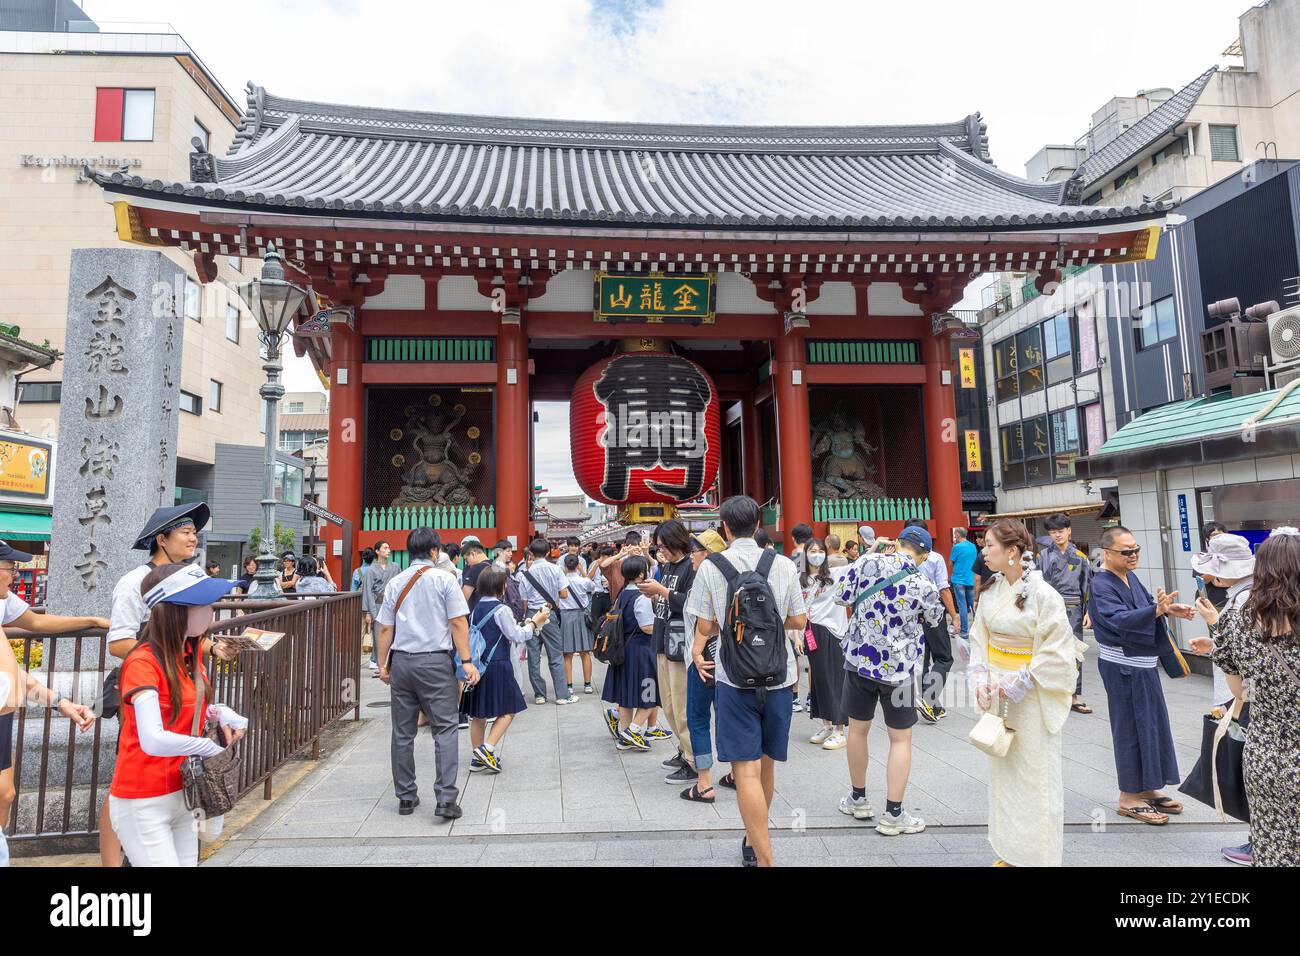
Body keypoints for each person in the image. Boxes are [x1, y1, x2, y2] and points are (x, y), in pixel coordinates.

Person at [686, 495, 807, 867]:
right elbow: (800, 621)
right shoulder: (783, 564)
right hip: (778, 677)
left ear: (724, 527)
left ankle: (763, 856)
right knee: (766, 766)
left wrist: (709, 639)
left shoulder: (711, 567)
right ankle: (754, 842)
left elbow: (705, 626)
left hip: (734, 679)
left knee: (745, 771)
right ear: (757, 525)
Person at [109, 563, 245, 866]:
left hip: (184, 791)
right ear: (172, 610)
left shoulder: (188, 653)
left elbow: (184, 707)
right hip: (143, 797)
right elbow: (153, 739)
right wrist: (208, 747)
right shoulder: (142, 662)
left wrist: (218, 713)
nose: (208, 610)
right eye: (199, 604)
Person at [100, 502, 211, 867]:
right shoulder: (134, 582)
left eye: (195, 532)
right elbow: (118, 642)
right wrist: (163, 661)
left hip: (182, 688)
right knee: (133, 768)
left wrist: (208, 647)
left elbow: (191, 637)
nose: (193, 537)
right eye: (185, 532)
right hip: (146, 689)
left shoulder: (189, 578)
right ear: (161, 540)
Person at [968, 520, 1083, 867]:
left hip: (1030, 695)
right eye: (984, 545)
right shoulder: (990, 591)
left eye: (990, 546)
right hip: (998, 693)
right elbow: (978, 642)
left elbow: (1057, 651)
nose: (984, 552)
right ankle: (1009, 851)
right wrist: (981, 679)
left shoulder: (1043, 595)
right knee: (1004, 778)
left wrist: (1018, 680)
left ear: (1012, 551)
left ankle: (1037, 856)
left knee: (1035, 777)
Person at [1194, 527, 1300, 867]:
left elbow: (1241, 691)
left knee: (1272, 849)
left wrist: (1272, 691)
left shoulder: (1238, 623)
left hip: (1267, 755)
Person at [831, 525, 942, 836]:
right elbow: (934, 620)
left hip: (859, 663)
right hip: (900, 669)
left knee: (857, 730)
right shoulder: (924, 583)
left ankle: (858, 799)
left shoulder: (868, 563)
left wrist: (868, 553)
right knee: (900, 739)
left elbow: (840, 596)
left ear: (896, 543)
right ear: (924, 555)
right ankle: (893, 814)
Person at [1087, 525, 1195, 825]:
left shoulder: (1128, 576)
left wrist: (1168, 609)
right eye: (1126, 551)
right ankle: (1128, 796)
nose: (1133, 555)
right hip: (1122, 667)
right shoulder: (1101, 584)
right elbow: (1117, 619)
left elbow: (1146, 608)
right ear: (1107, 553)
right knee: (1131, 728)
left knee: (1151, 725)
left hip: (1142, 666)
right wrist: (1156, 612)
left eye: (1136, 549)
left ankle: (1146, 788)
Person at [0, 539, 102, 846]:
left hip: (2, 718)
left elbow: (14, 671)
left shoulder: (2, 602)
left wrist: (60, 703)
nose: (15, 574)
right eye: (9, 567)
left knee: (6, 794)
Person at [375, 527, 477, 820]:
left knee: (402, 732)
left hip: (402, 662)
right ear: (434, 551)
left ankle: (406, 797)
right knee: (444, 728)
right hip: (435, 662)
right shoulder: (445, 579)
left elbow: (385, 628)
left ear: (410, 552)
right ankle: (445, 799)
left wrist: (383, 665)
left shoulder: (396, 582)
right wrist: (467, 661)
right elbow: (458, 623)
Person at [1187, 531, 1257, 865]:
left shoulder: (1245, 598)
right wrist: (1214, 642)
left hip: (1248, 693)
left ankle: (1261, 839)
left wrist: (1215, 627)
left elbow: (1246, 654)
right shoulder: (1244, 593)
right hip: (1245, 690)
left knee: (1248, 765)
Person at [463, 567, 551, 774]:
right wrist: (535, 622)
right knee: (509, 709)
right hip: (498, 664)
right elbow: (517, 635)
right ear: (501, 587)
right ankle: (488, 748)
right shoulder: (502, 610)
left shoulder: (475, 609)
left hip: (478, 666)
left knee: (478, 714)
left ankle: (477, 757)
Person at [639, 520, 696, 783]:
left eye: (663, 545)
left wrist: (661, 590)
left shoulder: (691, 566)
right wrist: (656, 594)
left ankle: (694, 760)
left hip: (679, 644)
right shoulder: (669, 566)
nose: (660, 550)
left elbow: (692, 604)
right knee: (669, 705)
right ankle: (684, 751)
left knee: (681, 705)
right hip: (663, 640)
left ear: (676, 542)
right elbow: (669, 597)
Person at [680, 529, 729, 803]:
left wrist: (697, 653)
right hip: (731, 663)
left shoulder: (702, 580)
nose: (691, 557)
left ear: (708, 554)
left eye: (695, 551)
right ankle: (736, 772)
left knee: (698, 719)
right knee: (727, 717)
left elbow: (703, 624)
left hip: (702, 661)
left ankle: (705, 784)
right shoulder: (733, 579)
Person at [601, 555, 660, 751]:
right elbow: (647, 627)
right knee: (651, 693)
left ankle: (623, 737)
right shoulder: (642, 597)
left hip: (623, 651)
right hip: (642, 651)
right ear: (642, 573)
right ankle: (633, 730)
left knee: (626, 697)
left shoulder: (623, 593)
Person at [902, 518, 958, 723]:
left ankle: (931, 703)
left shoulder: (895, 558)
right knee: (943, 657)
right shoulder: (934, 557)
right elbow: (943, 588)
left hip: (907, 614)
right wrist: (954, 615)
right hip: (931, 613)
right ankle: (929, 697)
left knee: (922, 659)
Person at [1039, 513, 1095, 715]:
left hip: (1074, 611)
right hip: (1049, 610)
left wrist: (1089, 611)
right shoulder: (1043, 556)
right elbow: (1038, 586)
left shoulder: (1081, 558)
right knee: (1049, 651)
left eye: (1060, 531)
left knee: (1075, 653)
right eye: (1053, 532)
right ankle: (1051, 696)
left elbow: (1088, 587)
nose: (1057, 535)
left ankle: (1073, 696)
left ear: (1069, 531)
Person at [802, 538, 849, 750]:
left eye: (820, 550)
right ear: (805, 553)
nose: (817, 554)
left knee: (833, 679)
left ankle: (839, 729)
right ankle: (826, 725)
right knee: (818, 680)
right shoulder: (800, 579)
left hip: (830, 631)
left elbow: (858, 564)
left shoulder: (833, 575)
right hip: (810, 631)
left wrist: (874, 548)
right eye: (812, 550)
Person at [516, 538, 575, 705]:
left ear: (532, 554)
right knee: (555, 655)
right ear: (548, 552)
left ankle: (539, 694)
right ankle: (562, 695)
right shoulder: (555, 569)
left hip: (532, 615)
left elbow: (524, 602)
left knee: (533, 656)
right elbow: (564, 594)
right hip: (549, 613)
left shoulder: (525, 574)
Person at [559, 553, 597, 695]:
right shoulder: (583, 581)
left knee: (567, 654)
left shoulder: (560, 581)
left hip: (566, 616)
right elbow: (592, 588)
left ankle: (569, 686)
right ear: (577, 565)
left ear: (564, 566)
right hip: (581, 616)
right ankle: (587, 685)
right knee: (585, 652)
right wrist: (583, 572)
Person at [362, 541, 398, 672]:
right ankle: (379, 662)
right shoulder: (371, 570)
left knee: (393, 632)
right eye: (385, 548)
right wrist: (368, 612)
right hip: (377, 603)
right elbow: (367, 591)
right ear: (377, 551)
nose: (388, 550)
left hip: (392, 603)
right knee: (378, 633)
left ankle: (390, 660)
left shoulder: (394, 567)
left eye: (389, 547)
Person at [949, 527, 977, 638]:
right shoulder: (973, 546)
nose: (954, 536)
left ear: (958, 535)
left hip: (958, 579)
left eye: (955, 535)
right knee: (973, 605)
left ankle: (964, 631)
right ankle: (977, 629)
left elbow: (950, 563)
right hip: (970, 578)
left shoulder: (956, 547)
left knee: (962, 606)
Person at [460, 541, 491, 612]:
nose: (467, 564)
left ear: (473, 554)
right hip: (496, 613)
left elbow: (463, 598)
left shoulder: (476, 569)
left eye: (466, 560)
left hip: (479, 615)